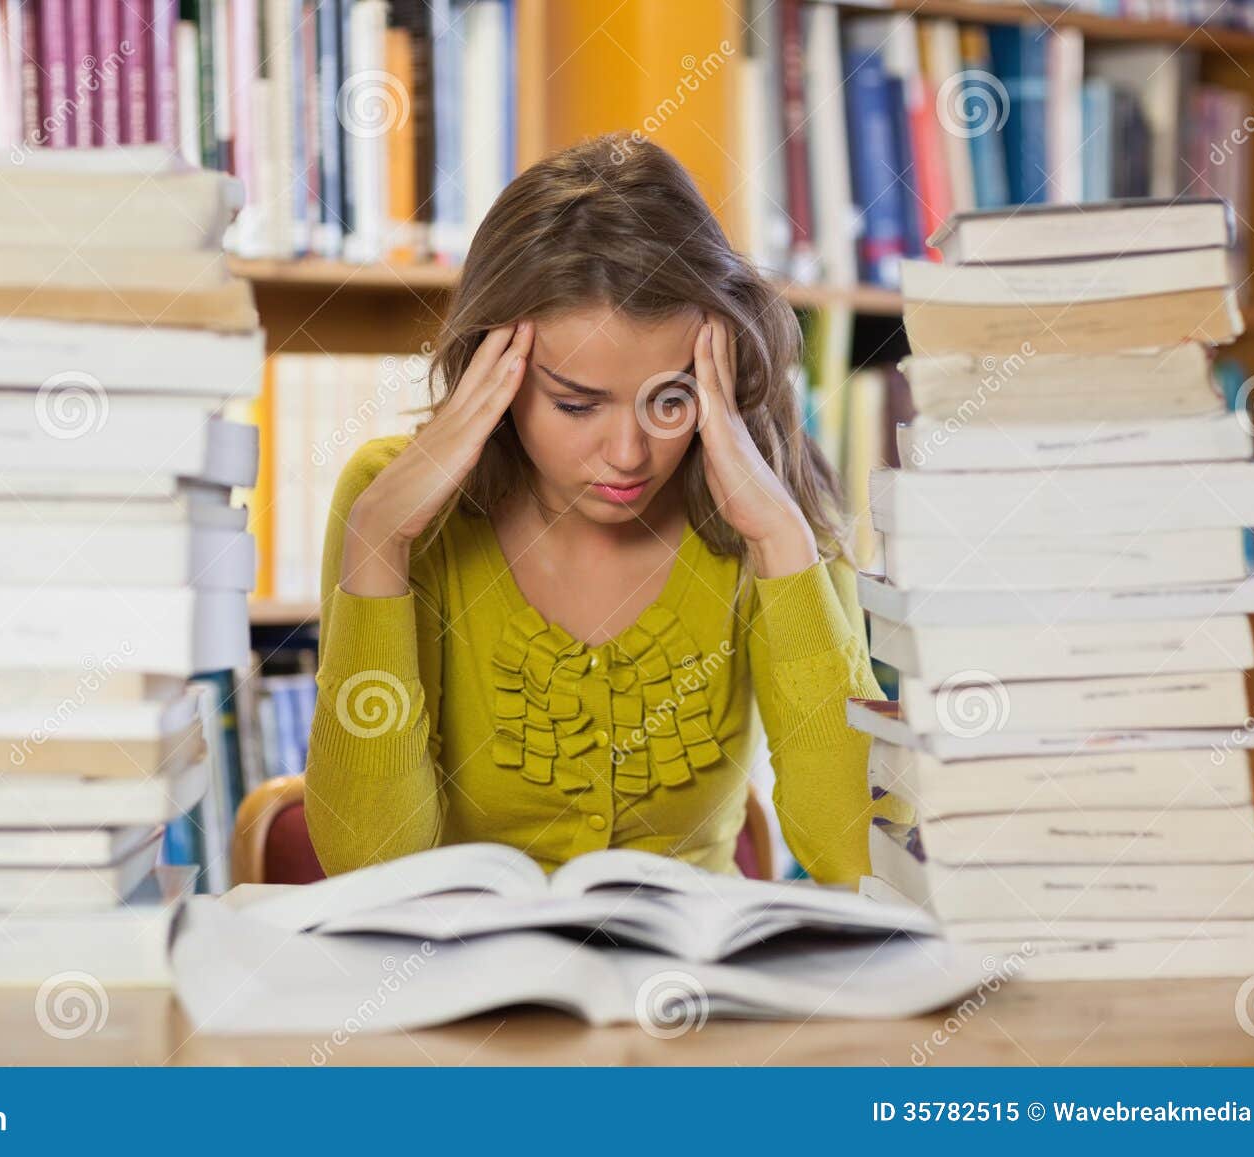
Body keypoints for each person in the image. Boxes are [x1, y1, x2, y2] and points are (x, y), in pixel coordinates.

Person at [304, 134, 909, 885]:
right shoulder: (387, 502)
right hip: (463, 989)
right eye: (576, 403)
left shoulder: (774, 510)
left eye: (671, 398)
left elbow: (860, 859)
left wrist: (784, 542)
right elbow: (372, 866)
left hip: (696, 993)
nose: (627, 453)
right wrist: (376, 544)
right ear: (494, 372)